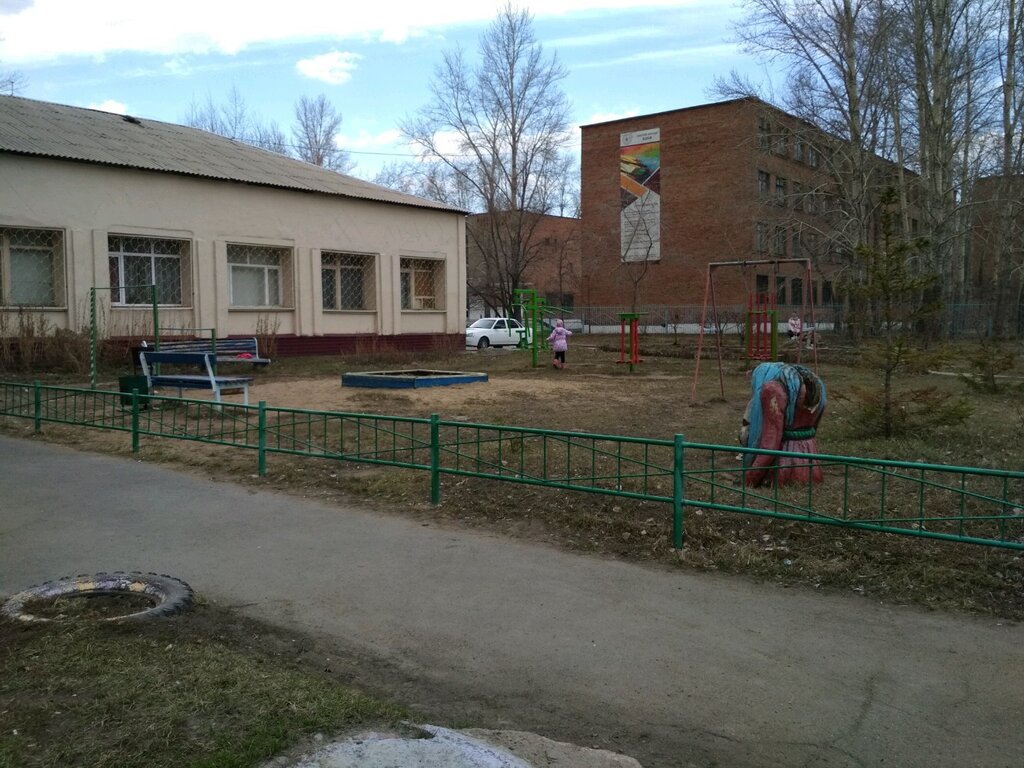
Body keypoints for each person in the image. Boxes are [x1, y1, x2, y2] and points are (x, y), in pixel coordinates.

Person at [738, 362, 826, 487]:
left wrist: (748, 481)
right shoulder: (818, 386)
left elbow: (770, 446)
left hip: (783, 469)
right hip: (811, 464)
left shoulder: (772, 389)